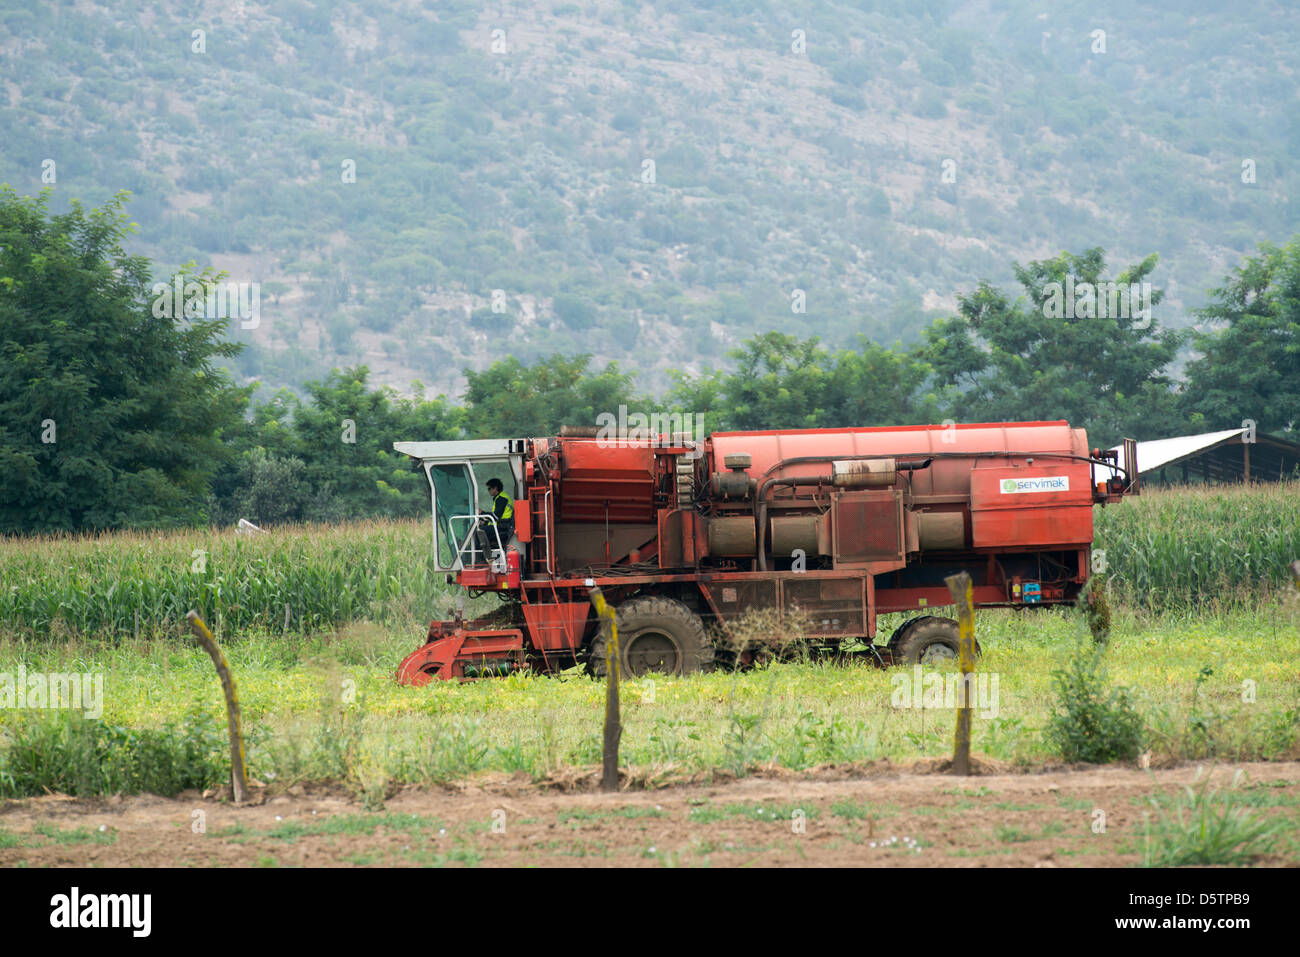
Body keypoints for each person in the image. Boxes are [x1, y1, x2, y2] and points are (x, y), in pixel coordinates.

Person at [474, 478, 515, 563]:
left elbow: (496, 517)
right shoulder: (500, 498)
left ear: (495, 488)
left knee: (479, 532)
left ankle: (481, 559)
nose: (488, 491)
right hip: (500, 525)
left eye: (489, 488)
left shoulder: (501, 498)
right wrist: (484, 521)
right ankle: (487, 557)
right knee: (482, 529)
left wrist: (482, 513)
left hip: (502, 527)